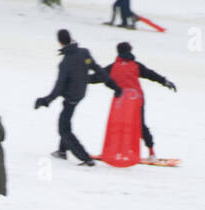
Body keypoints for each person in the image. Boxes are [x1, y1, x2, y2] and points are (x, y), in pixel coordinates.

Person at [34, 29, 120, 166]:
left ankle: (86, 158)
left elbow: (59, 87)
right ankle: (62, 151)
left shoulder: (65, 62)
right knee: (65, 120)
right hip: (80, 93)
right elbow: (98, 69)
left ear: (60, 42)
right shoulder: (84, 53)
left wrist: (46, 100)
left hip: (71, 97)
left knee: (64, 128)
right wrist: (114, 86)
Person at [108, 42, 176, 158]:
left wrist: (80, 79)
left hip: (121, 101)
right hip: (137, 99)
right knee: (140, 125)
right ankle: (151, 151)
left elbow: (98, 77)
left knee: (117, 124)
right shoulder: (136, 65)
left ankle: (112, 150)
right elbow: (152, 75)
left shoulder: (113, 67)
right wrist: (165, 81)